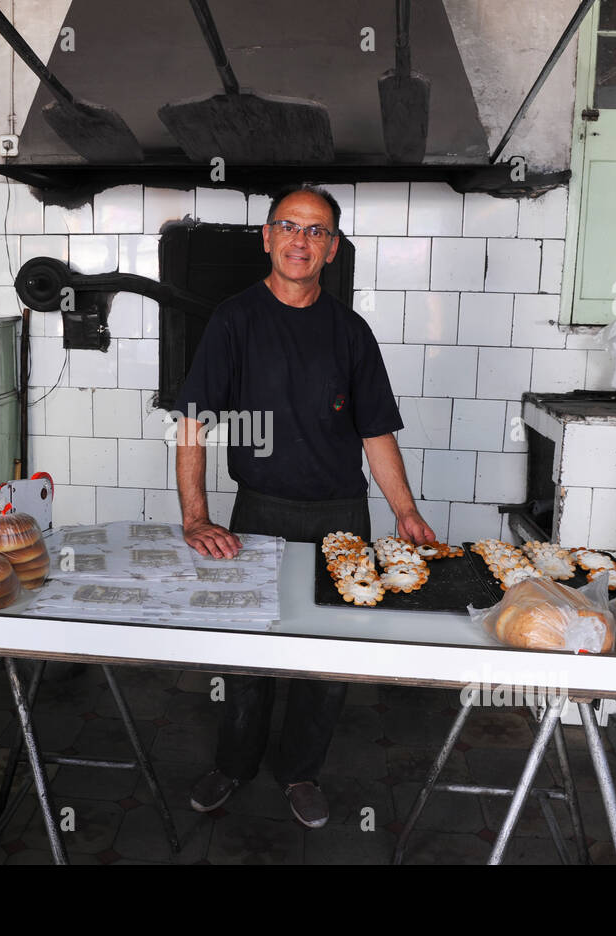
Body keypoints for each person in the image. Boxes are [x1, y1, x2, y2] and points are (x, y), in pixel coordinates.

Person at [171, 184, 435, 829]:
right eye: (290, 226)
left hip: (341, 516)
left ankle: (302, 771)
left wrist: (405, 513)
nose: (302, 240)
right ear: (268, 237)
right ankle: (234, 764)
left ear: (332, 249)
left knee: (330, 655)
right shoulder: (233, 320)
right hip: (259, 513)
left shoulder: (351, 332)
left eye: (317, 231)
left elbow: (376, 431)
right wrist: (195, 518)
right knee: (248, 651)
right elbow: (193, 422)